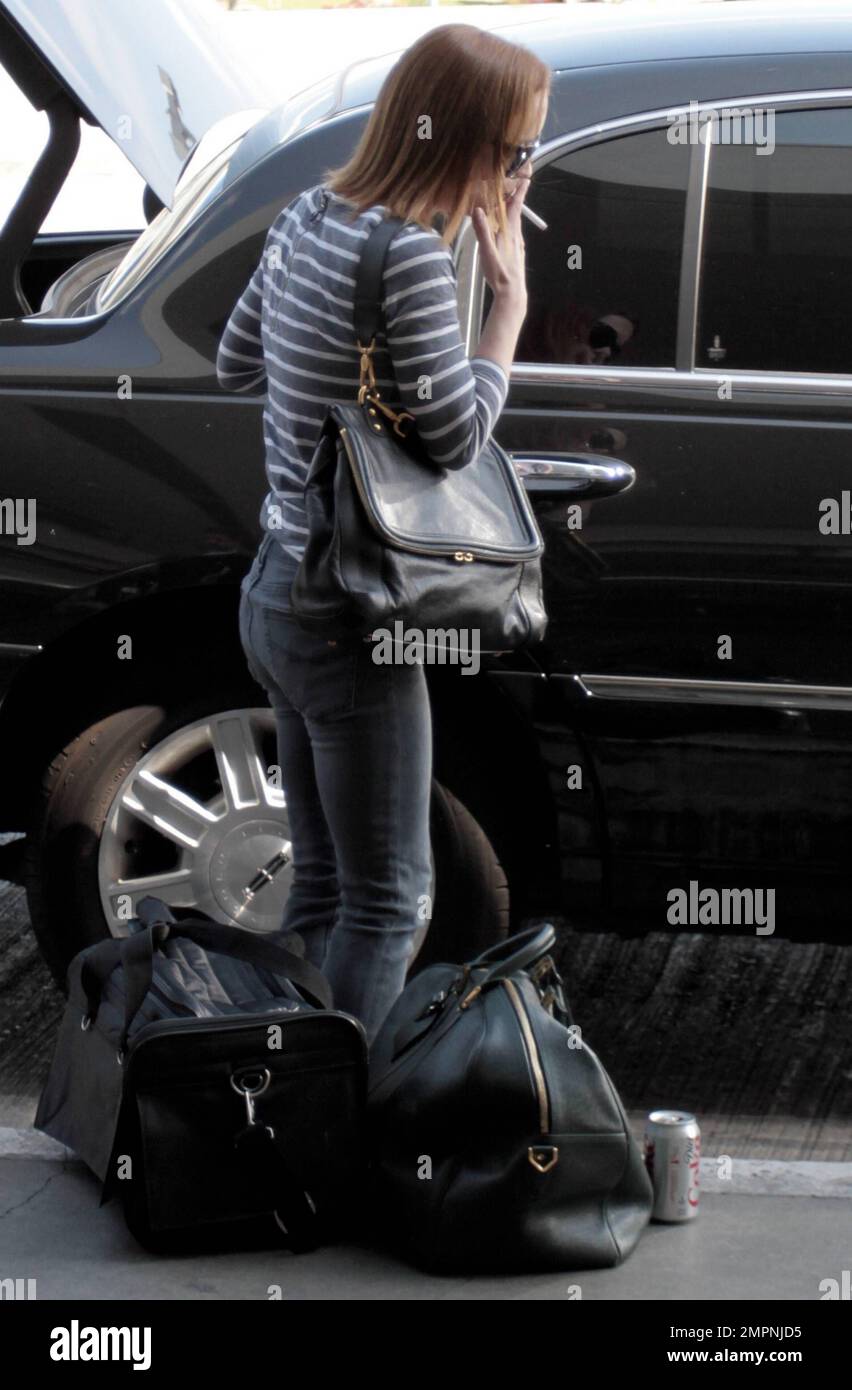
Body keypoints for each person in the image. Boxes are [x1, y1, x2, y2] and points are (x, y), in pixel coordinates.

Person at [216, 23, 550, 1046]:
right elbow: (454, 441)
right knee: (390, 900)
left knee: (320, 887)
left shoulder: (308, 214)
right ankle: (336, 1133)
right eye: (521, 151)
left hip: (275, 588)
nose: (523, 172)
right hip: (351, 616)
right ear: (475, 150)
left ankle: (280, 1103)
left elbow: (236, 361)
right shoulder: (405, 256)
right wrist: (506, 308)